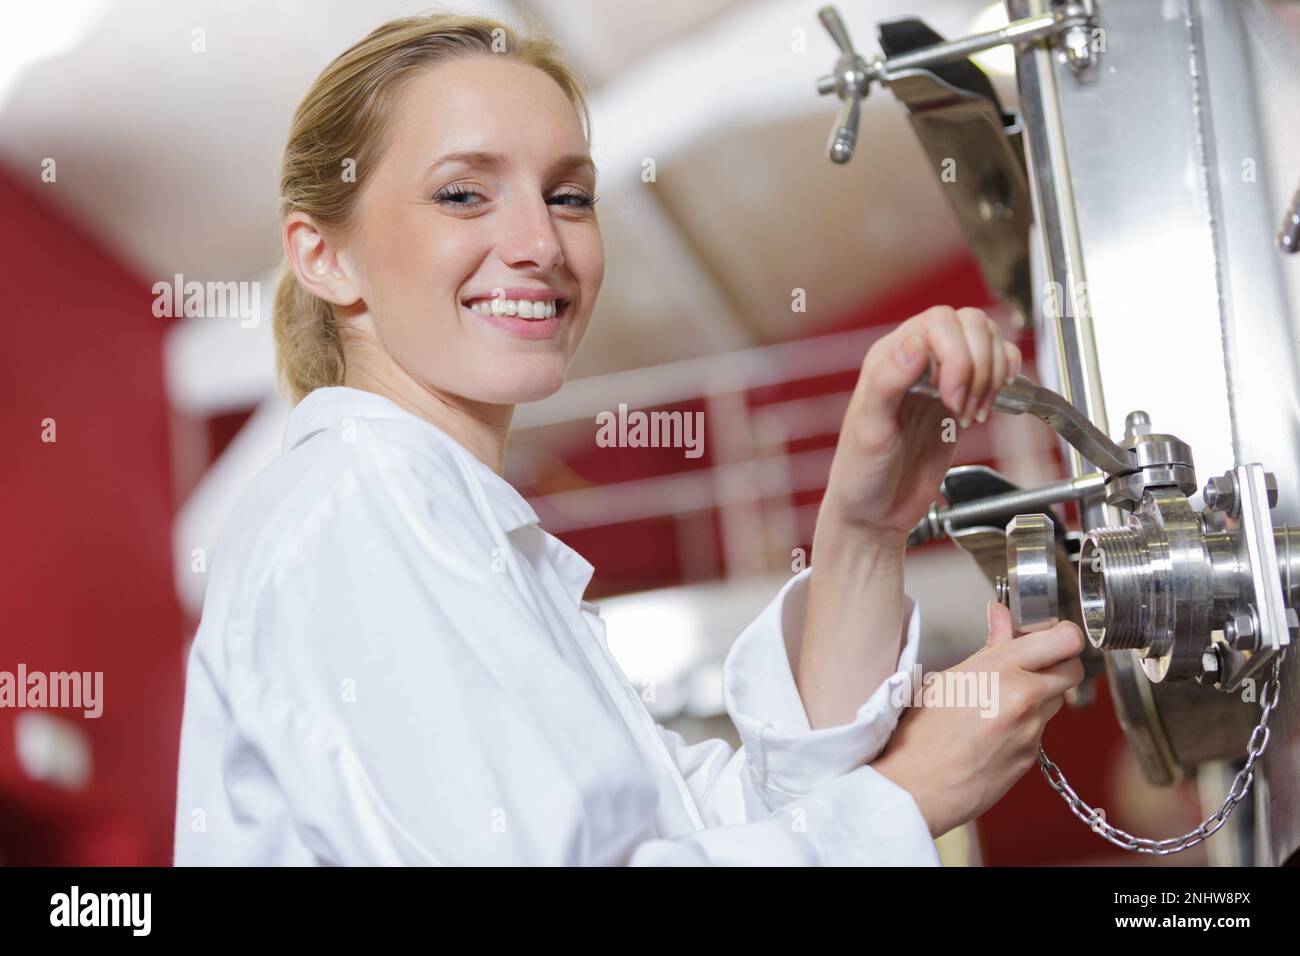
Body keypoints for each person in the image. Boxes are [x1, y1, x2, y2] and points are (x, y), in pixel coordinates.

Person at [173, 13, 1085, 866]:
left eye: (569, 196)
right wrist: (900, 799)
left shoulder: (460, 528)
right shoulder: (355, 510)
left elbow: (713, 825)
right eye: (463, 194)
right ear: (324, 256)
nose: (540, 241)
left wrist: (861, 532)